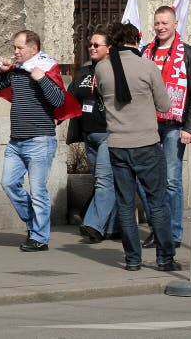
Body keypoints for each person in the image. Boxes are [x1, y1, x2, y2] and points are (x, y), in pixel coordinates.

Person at [94, 22, 179, 271]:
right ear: (136, 40)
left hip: (117, 144)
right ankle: (165, 258)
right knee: (157, 203)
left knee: (125, 204)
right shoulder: (147, 65)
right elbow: (164, 105)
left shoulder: (102, 68)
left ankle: (132, 259)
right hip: (146, 144)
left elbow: (102, 95)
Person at [0, 30, 79, 252]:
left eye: (19, 48)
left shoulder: (47, 68)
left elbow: (58, 100)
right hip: (16, 140)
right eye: (14, 47)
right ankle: (34, 222)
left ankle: (39, 237)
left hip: (40, 140)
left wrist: (41, 79)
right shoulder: (18, 71)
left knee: (38, 191)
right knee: (8, 184)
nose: (15, 52)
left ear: (33, 49)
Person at [140, 6, 191, 249]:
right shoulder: (145, 52)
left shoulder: (188, 53)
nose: (161, 27)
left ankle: (173, 233)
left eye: (165, 23)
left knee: (171, 180)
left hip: (175, 126)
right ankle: (158, 228)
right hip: (147, 124)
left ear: (176, 24)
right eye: (157, 23)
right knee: (145, 179)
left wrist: (189, 127)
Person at [66, 31, 119, 243]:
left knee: (104, 181)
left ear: (109, 48)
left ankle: (93, 224)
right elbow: (70, 98)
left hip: (110, 133)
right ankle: (113, 227)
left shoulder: (116, 71)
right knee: (102, 181)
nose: (92, 47)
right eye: (90, 44)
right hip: (89, 135)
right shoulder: (84, 71)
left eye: (97, 44)